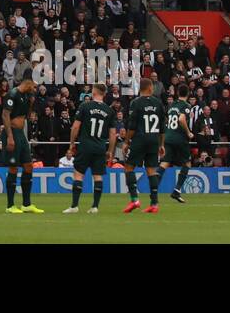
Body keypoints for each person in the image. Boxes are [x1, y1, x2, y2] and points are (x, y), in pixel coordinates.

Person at [64, 83, 118, 214]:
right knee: (98, 176)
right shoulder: (109, 111)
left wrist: (71, 144)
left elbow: (75, 127)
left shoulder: (85, 106)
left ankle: (74, 206)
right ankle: (95, 207)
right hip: (100, 147)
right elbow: (112, 134)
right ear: (104, 94)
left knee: (78, 174)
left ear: (94, 92)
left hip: (85, 146)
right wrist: (110, 151)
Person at [122, 78, 167, 213]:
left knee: (129, 168)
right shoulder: (158, 103)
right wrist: (162, 144)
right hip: (154, 140)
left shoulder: (135, 103)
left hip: (140, 140)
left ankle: (135, 199)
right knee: (151, 171)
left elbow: (132, 126)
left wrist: (126, 142)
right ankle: (154, 204)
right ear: (149, 88)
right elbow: (162, 127)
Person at [1, 77, 43, 214]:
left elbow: (25, 116)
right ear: (28, 82)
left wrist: (31, 104)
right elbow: (5, 115)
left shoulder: (27, 96)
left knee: (28, 166)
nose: (35, 90)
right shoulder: (12, 94)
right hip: (12, 133)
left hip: (21, 133)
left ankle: (26, 204)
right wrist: (10, 137)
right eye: (35, 87)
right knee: (13, 167)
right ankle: (10, 205)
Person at [156, 83, 193, 204]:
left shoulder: (172, 105)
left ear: (177, 93)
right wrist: (188, 132)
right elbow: (181, 119)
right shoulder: (186, 105)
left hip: (168, 136)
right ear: (188, 94)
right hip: (179, 138)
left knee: (165, 163)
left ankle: (153, 187)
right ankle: (176, 190)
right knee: (187, 163)